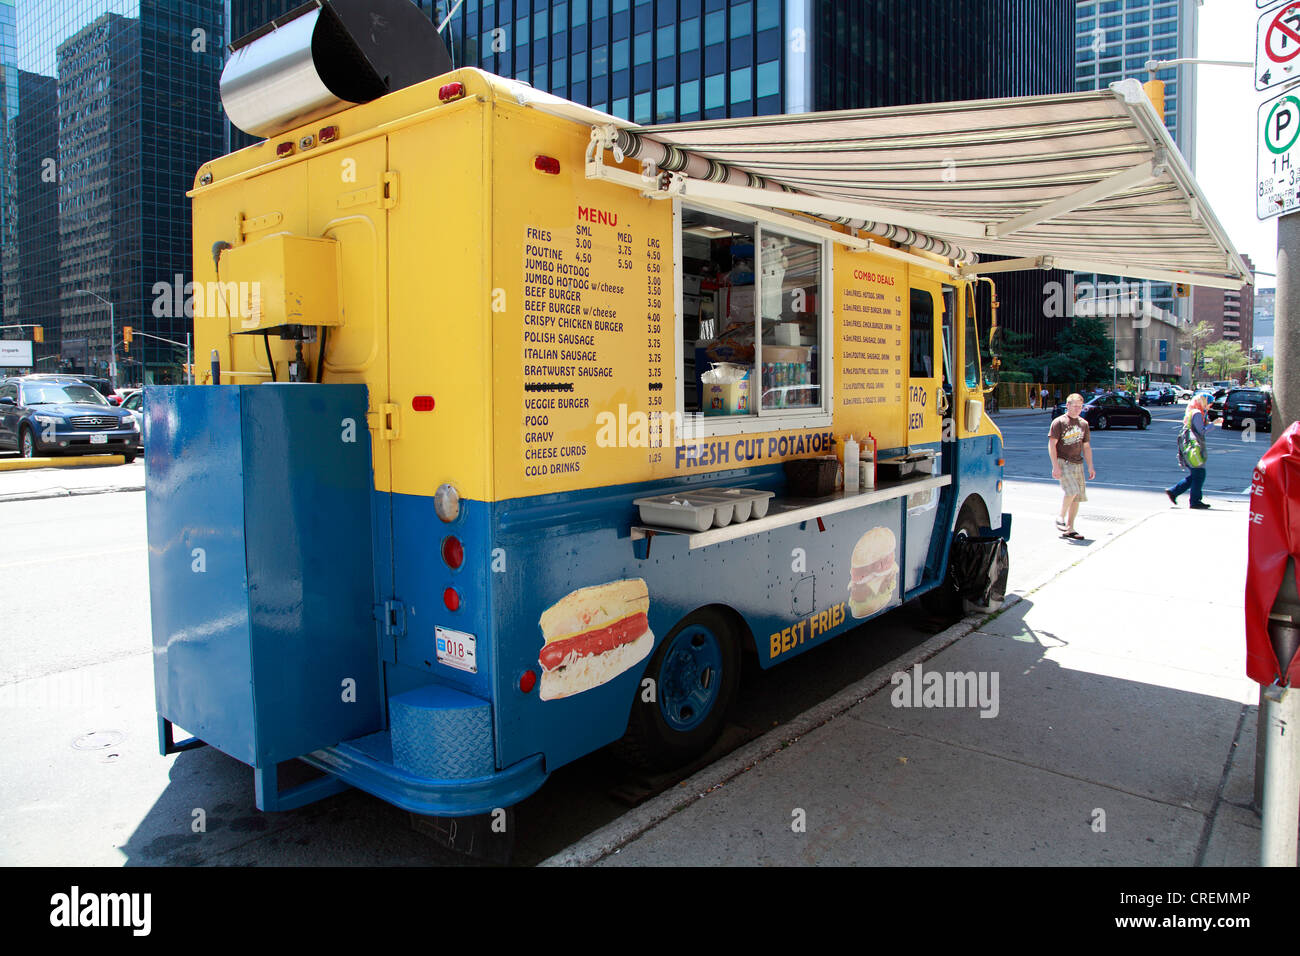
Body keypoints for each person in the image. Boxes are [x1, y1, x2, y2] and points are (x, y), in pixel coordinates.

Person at [1048, 393, 1095, 539]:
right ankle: (1060, 517)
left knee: (1076, 497)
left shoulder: (1083, 424)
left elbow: (1086, 447)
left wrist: (1090, 466)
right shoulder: (1059, 422)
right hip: (1063, 461)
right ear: (1067, 405)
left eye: (1080, 407)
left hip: (1078, 463)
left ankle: (1070, 528)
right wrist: (1055, 466)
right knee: (1072, 490)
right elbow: (1052, 445)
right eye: (1074, 406)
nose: (1077, 409)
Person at [1166, 392, 1216, 510]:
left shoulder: (1195, 412)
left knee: (1196, 475)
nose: (1210, 406)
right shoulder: (1197, 413)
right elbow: (1201, 431)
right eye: (1209, 403)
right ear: (1203, 401)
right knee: (1199, 474)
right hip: (1193, 447)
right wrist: (1213, 425)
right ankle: (1195, 501)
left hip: (1189, 446)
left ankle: (1174, 492)